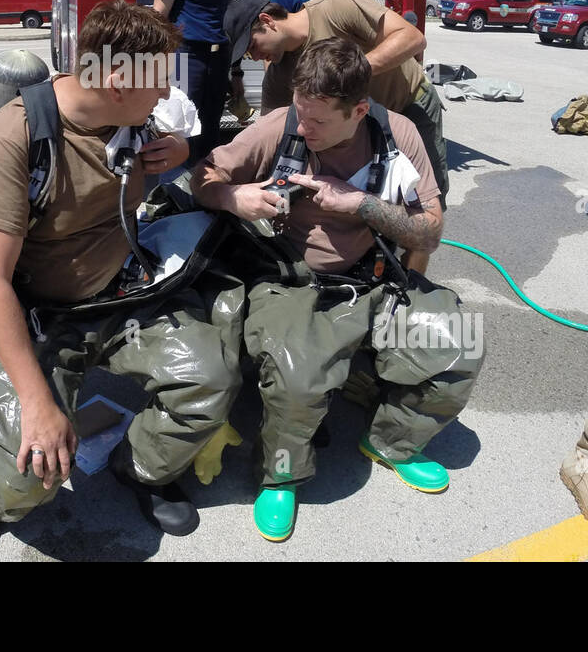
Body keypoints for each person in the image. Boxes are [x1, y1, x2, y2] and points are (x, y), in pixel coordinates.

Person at [0, 0, 241, 561]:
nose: (167, 95)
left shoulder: (130, 117)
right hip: (39, 316)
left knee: (209, 379)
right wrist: (36, 401)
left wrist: (178, 151)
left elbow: (161, 163)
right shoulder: (17, 140)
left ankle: (140, 468)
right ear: (117, 78)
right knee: (38, 464)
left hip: (119, 295)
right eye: (159, 81)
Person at [191, 38, 481, 542]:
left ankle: (392, 442)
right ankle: (280, 474)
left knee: (458, 342)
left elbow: (430, 231)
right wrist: (233, 196)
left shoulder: (398, 134)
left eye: (319, 121)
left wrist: (360, 204)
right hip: (291, 280)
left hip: (372, 278)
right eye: (301, 114)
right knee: (297, 378)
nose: (305, 128)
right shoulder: (282, 125)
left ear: (359, 110)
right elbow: (204, 174)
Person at [226, 0, 449, 268]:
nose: (255, 57)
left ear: (268, 20)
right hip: (354, 129)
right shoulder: (278, 77)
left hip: (408, 102)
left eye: (252, 46)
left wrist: (348, 76)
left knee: (421, 212)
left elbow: (413, 38)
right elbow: (275, 137)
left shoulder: (336, 7)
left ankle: (412, 285)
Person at [153, 0, 241, 161]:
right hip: (186, 53)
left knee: (211, 121)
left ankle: (204, 180)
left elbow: (233, 17)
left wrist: (236, 70)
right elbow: (159, 14)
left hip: (220, 55)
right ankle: (175, 183)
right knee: (180, 121)